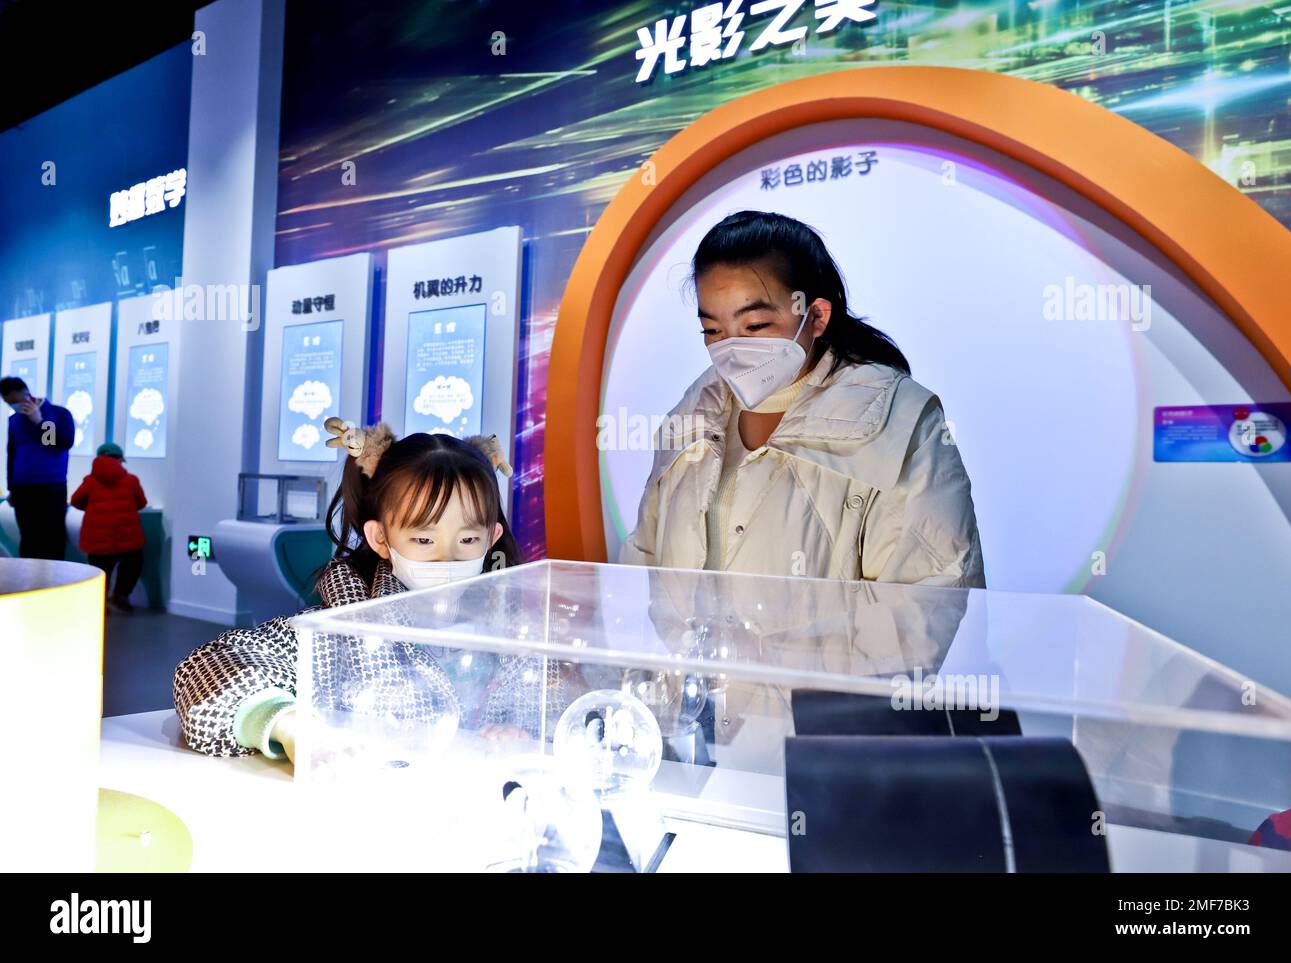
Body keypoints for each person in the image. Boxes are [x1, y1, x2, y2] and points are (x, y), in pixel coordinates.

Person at [621, 210, 984, 587]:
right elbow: (643, 567)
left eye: (756, 325)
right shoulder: (689, 421)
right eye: (712, 330)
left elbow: (930, 601)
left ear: (816, 316)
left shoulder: (902, 423)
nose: (731, 348)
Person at [173, 418, 538, 765]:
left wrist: (521, 735)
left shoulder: (513, 631)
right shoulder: (349, 624)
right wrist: (290, 725)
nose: (447, 557)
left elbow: (559, 710)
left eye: (469, 538)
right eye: (424, 539)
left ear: (492, 538)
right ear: (381, 538)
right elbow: (209, 670)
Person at [1, 375, 75, 560]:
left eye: (16, 401)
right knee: (29, 540)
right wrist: (12, 488)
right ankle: (30, 585)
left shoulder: (58, 413)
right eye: (9, 403)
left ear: (27, 394)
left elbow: (58, 443)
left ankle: (53, 584)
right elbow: (12, 455)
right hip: (23, 489)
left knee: (52, 540)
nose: (15, 406)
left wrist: (39, 421)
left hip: (51, 487)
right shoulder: (14, 421)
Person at [70, 442, 148, 612]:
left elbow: (76, 501)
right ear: (119, 459)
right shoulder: (131, 480)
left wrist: (92, 509)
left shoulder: (89, 482)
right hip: (128, 536)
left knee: (100, 571)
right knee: (132, 566)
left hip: (97, 538)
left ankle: (100, 603)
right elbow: (141, 503)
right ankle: (120, 596)